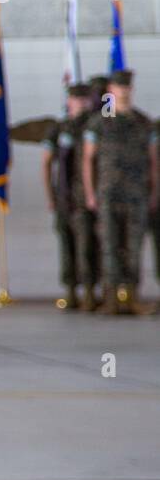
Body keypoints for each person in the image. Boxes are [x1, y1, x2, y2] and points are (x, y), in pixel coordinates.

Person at [82, 69, 158, 314]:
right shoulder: (99, 122)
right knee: (110, 244)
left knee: (134, 245)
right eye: (118, 87)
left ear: (131, 90)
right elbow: (87, 160)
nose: (123, 91)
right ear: (110, 91)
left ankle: (132, 296)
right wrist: (90, 193)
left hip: (137, 194)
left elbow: (153, 160)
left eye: (126, 87)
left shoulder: (143, 122)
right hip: (108, 193)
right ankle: (112, 297)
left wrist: (154, 190)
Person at [43, 83, 99, 311]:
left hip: (85, 198)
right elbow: (46, 164)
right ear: (69, 101)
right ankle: (70, 290)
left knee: (87, 244)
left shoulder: (94, 126)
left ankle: (89, 291)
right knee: (67, 244)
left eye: (85, 99)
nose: (81, 103)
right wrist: (50, 196)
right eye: (77, 99)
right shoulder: (58, 129)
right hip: (64, 197)